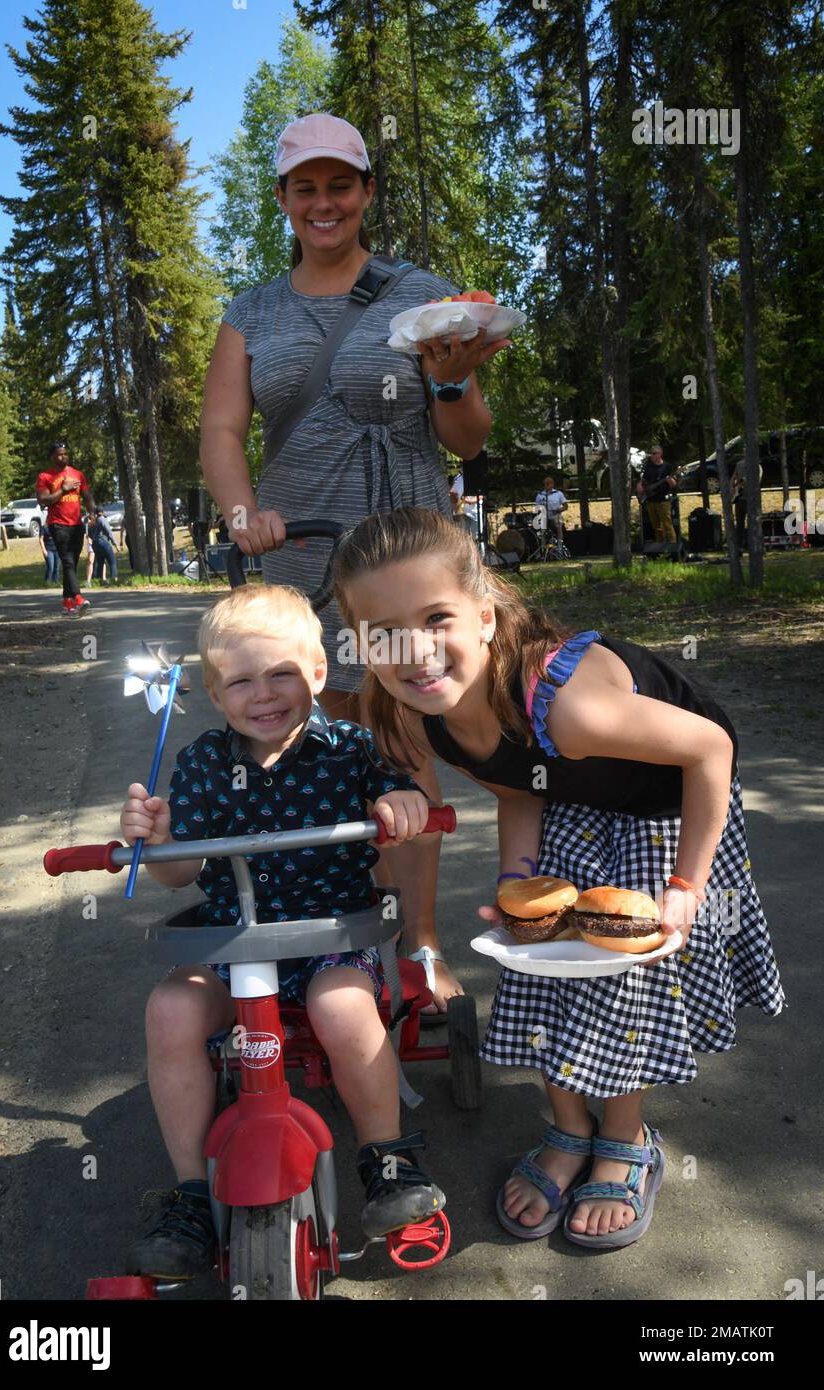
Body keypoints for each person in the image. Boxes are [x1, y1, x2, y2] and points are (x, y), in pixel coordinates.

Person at [332, 507, 784, 1251]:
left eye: (436, 617)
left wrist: (686, 887)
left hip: (665, 806)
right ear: (357, 644)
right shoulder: (416, 713)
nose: (413, 650)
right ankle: (567, 1131)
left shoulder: (567, 707)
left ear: (483, 616)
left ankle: (626, 1141)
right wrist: (518, 880)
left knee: (615, 973)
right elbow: (519, 786)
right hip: (571, 798)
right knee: (539, 966)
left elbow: (708, 749)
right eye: (383, 631)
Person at [199, 112, 511, 1015]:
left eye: (341, 184)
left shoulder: (422, 298)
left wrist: (451, 378)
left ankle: (414, 947)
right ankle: (326, 941)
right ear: (284, 201)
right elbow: (222, 429)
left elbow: (466, 435)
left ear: (366, 192)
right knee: (312, 748)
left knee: (404, 744)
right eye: (307, 187)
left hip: (405, 562)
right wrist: (240, 512)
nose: (324, 203)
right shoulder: (252, 312)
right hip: (299, 556)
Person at [119, 582, 445, 1280]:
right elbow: (178, 877)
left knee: (342, 1007)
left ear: (318, 674)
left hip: (330, 934)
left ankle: (386, 1156)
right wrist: (161, 840)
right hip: (231, 940)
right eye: (240, 681)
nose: (262, 694)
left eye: (282, 674)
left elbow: (402, 788)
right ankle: (189, 1192)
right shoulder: (204, 763)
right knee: (170, 1008)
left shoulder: (351, 747)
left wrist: (401, 799)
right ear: (213, 691)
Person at [35, 442, 96, 613]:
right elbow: (43, 500)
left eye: (66, 454)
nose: (64, 457)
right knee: (68, 562)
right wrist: (63, 489)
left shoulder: (77, 474)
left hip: (76, 524)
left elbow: (87, 496)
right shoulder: (45, 476)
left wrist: (92, 513)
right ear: (52, 457)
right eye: (60, 454)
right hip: (57, 523)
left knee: (73, 563)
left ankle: (66, 601)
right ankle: (78, 598)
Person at [637, 445, 678, 545]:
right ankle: (660, 546)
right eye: (651, 453)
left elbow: (674, 484)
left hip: (663, 500)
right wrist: (640, 488)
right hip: (650, 500)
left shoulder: (667, 467)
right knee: (656, 526)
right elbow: (644, 481)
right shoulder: (649, 466)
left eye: (655, 453)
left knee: (667, 524)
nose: (652, 455)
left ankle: (673, 546)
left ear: (660, 454)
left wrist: (670, 481)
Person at [729, 455, 763, 551]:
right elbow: (733, 477)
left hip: (752, 500)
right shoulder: (739, 464)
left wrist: (742, 481)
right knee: (739, 523)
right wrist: (732, 488)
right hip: (739, 499)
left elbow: (756, 480)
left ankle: (753, 545)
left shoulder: (757, 466)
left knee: (753, 523)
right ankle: (739, 545)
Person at [534, 476, 569, 543]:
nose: (547, 485)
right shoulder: (540, 495)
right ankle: (543, 545)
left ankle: (560, 544)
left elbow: (566, 506)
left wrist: (559, 510)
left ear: (552, 484)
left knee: (558, 523)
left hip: (556, 515)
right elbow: (537, 508)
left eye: (549, 483)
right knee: (541, 528)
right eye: (546, 484)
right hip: (544, 516)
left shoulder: (558, 493)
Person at [89, 508, 119, 583]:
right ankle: (114, 580)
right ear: (102, 512)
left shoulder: (92, 522)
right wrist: (115, 543)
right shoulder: (102, 519)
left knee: (100, 563)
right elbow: (108, 531)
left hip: (95, 544)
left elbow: (89, 534)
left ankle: (98, 581)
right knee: (112, 561)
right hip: (103, 542)